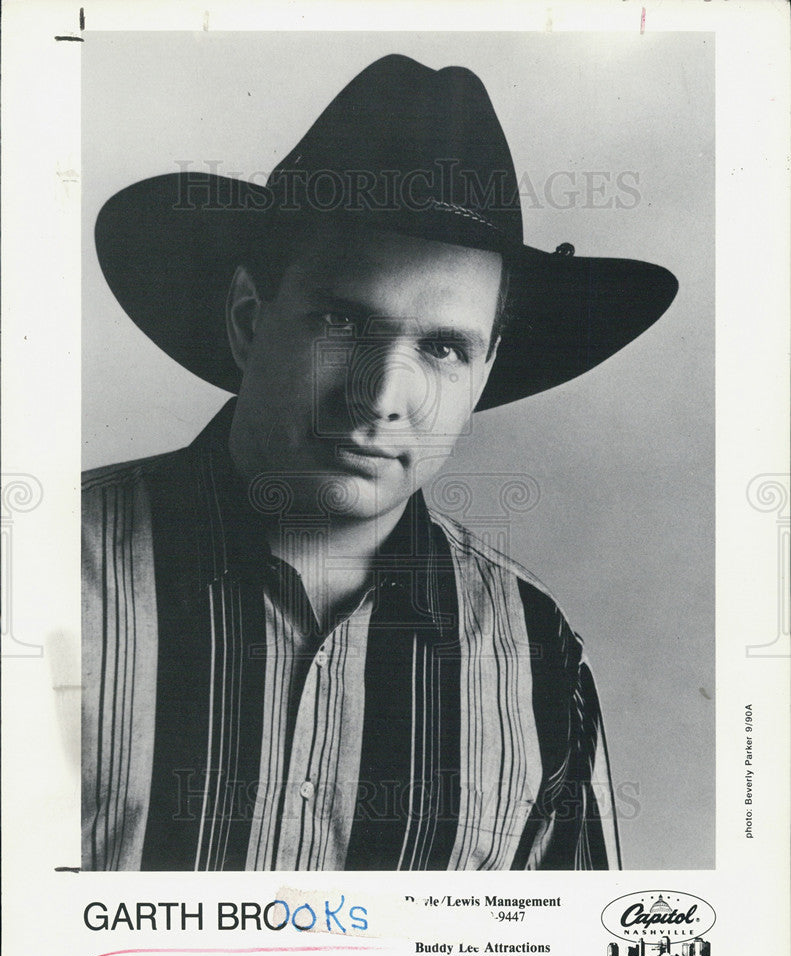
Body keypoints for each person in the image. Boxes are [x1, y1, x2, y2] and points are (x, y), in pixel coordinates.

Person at [82, 54, 677, 871]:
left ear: (485, 373)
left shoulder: (534, 654)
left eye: (441, 347)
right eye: (342, 324)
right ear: (250, 320)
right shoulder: (40, 572)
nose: (382, 396)